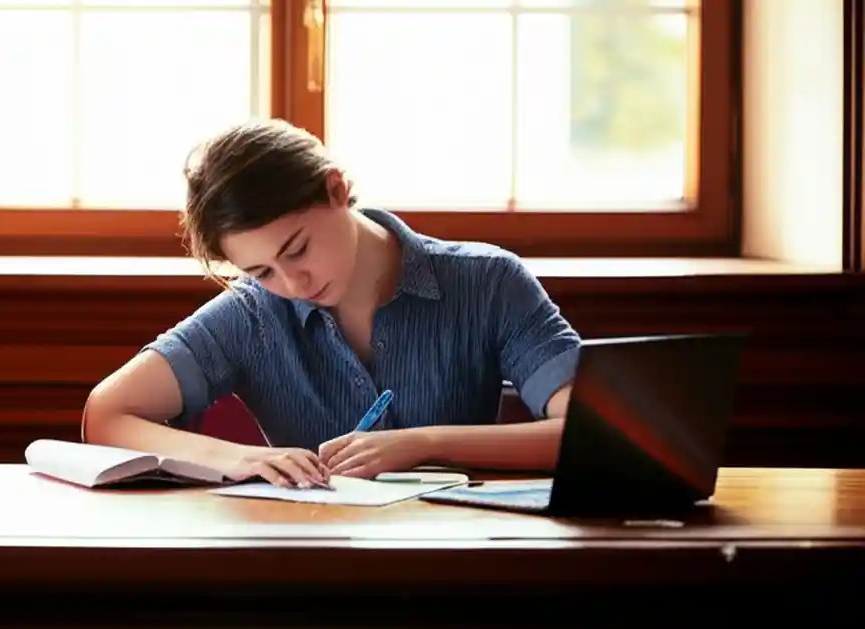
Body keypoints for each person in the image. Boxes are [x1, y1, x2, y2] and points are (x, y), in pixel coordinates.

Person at [83, 119, 580, 489]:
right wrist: (239, 459)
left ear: (337, 190)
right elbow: (106, 414)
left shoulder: (488, 282)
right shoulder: (253, 314)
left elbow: (589, 432)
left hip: (462, 559)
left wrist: (425, 444)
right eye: (261, 272)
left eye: (297, 249)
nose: (292, 283)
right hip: (311, 561)